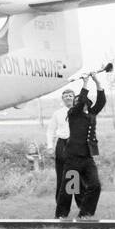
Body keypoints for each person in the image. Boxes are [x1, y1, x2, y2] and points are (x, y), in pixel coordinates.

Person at [64, 74, 107, 220]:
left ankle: (85, 213)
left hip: (87, 157)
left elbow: (101, 101)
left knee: (95, 185)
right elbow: (81, 99)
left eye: (79, 101)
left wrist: (96, 81)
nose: (77, 103)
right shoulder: (73, 113)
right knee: (71, 189)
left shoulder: (91, 114)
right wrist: (85, 83)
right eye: (75, 102)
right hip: (73, 158)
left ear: (87, 104)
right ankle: (62, 214)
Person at [46, 86, 76, 219]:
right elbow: (50, 130)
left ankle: (81, 207)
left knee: (74, 175)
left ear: (74, 98)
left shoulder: (80, 112)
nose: (68, 97)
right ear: (62, 99)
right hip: (62, 144)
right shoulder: (57, 113)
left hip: (76, 145)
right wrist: (50, 146)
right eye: (66, 96)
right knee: (62, 175)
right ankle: (61, 207)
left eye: (71, 95)